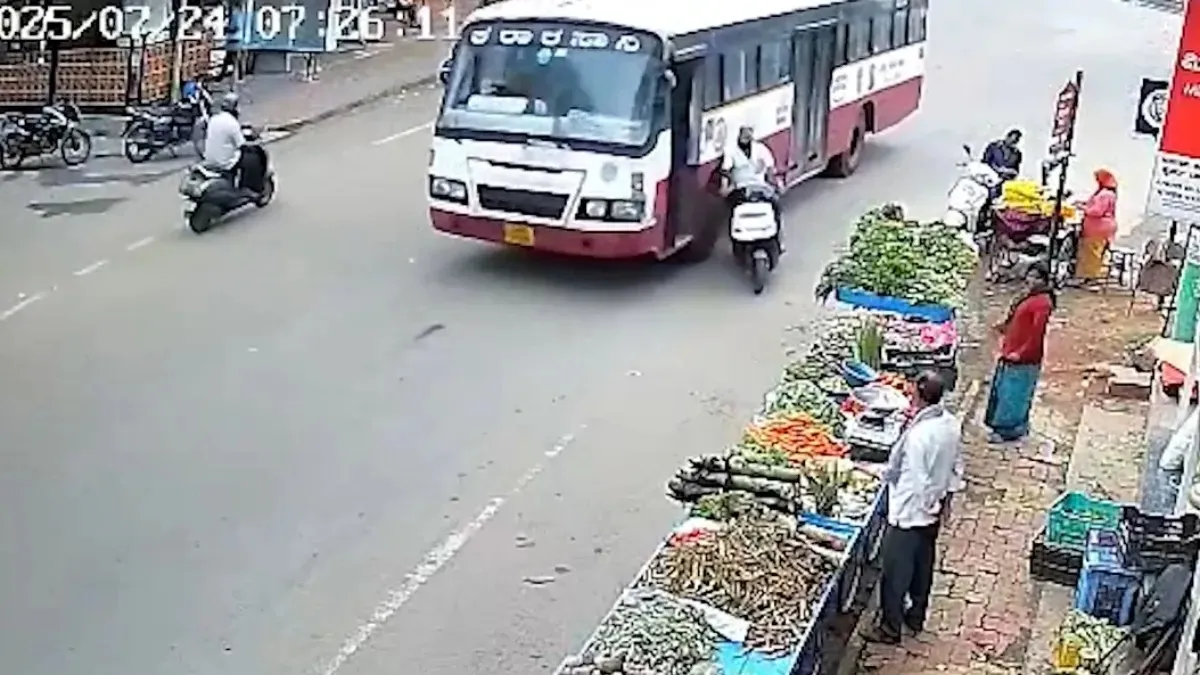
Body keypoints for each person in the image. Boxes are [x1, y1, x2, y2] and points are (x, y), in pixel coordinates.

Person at [862, 370, 963, 645]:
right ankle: (916, 615)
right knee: (923, 566)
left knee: (895, 572)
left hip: (910, 513)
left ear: (918, 396)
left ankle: (889, 628)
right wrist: (944, 503)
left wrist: (926, 505)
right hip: (932, 512)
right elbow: (956, 467)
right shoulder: (951, 424)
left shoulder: (919, 435)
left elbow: (919, 481)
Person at [984, 263, 1055, 443]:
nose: (1031, 280)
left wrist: (1021, 353)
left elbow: (1037, 333)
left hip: (1024, 357)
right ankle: (1007, 426)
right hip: (1011, 350)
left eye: (1036, 277)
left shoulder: (1043, 303)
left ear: (1044, 280)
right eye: (1030, 276)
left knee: (1014, 394)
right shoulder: (1027, 297)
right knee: (1005, 390)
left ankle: (1009, 430)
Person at [721, 125, 783, 239]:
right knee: (732, 210)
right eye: (743, 135)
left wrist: (777, 183)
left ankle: (778, 237)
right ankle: (736, 238)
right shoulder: (731, 151)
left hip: (760, 187)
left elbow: (770, 169)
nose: (746, 138)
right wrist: (725, 187)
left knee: (776, 205)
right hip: (740, 187)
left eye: (748, 136)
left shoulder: (761, 149)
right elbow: (725, 171)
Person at [1074, 169, 1118, 284]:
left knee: (1090, 254)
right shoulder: (1108, 193)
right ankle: (1090, 277)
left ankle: (1089, 279)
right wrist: (1083, 203)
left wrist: (1082, 208)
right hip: (1104, 228)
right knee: (1096, 254)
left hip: (1097, 228)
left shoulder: (1104, 194)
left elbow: (1096, 211)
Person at [203, 92, 246, 178]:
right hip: (225, 164)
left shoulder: (213, 119)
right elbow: (242, 145)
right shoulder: (232, 123)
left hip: (209, 161)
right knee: (247, 158)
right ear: (235, 108)